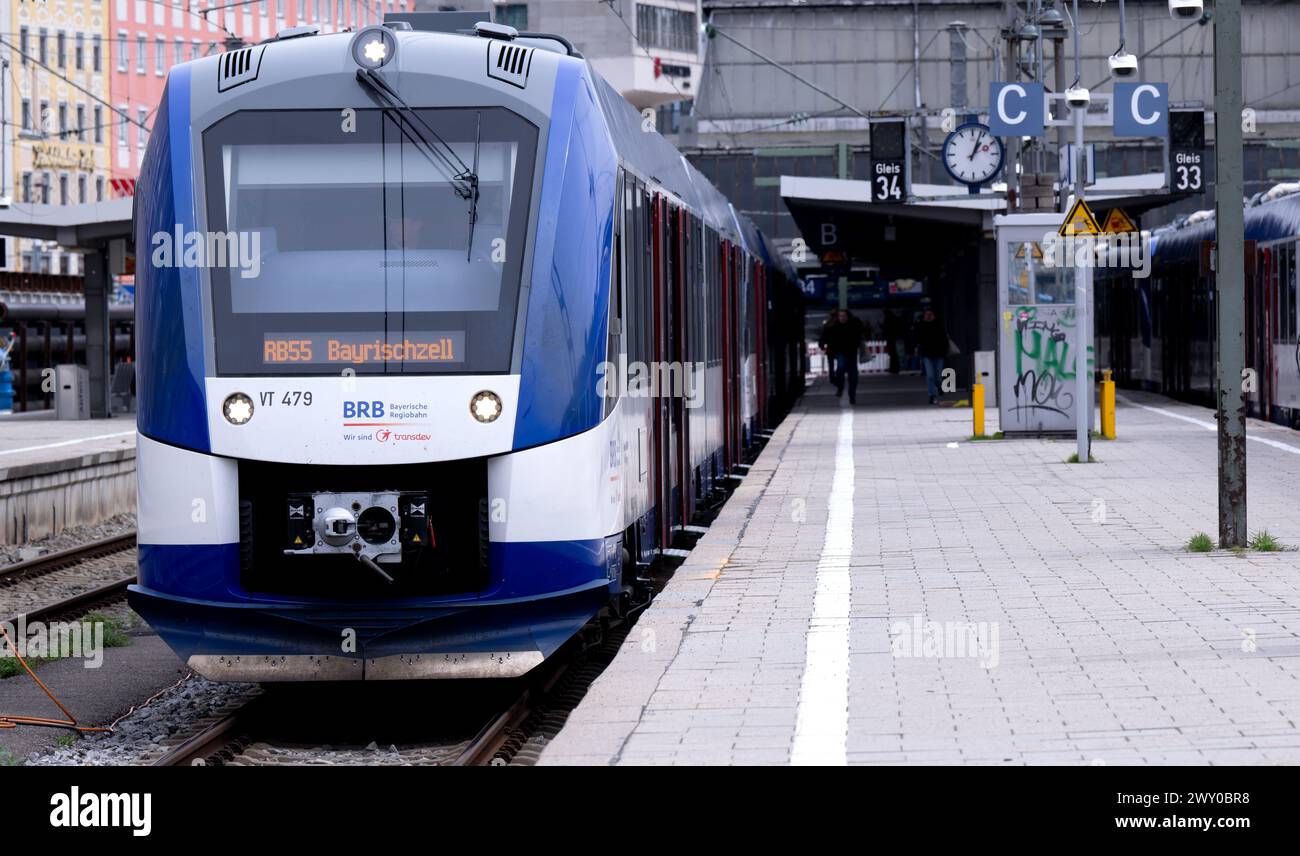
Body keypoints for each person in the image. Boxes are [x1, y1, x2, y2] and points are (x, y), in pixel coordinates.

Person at [818, 308, 865, 404]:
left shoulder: (853, 325)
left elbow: (861, 333)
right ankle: (840, 386)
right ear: (837, 317)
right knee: (841, 368)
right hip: (840, 353)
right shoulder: (834, 327)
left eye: (844, 316)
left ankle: (852, 395)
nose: (842, 318)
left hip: (852, 353)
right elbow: (825, 335)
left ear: (848, 317)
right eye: (840, 316)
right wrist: (822, 344)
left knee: (853, 377)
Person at [917, 307, 949, 404]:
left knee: (938, 376)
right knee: (930, 376)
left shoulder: (939, 324)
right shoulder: (922, 325)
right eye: (927, 314)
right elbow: (918, 338)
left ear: (934, 315)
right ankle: (932, 395)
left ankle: (939, 386)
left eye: (930, 314)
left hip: (939, 354)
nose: (928, 316)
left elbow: (944, 338)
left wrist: (945, 350)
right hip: (927, 355)